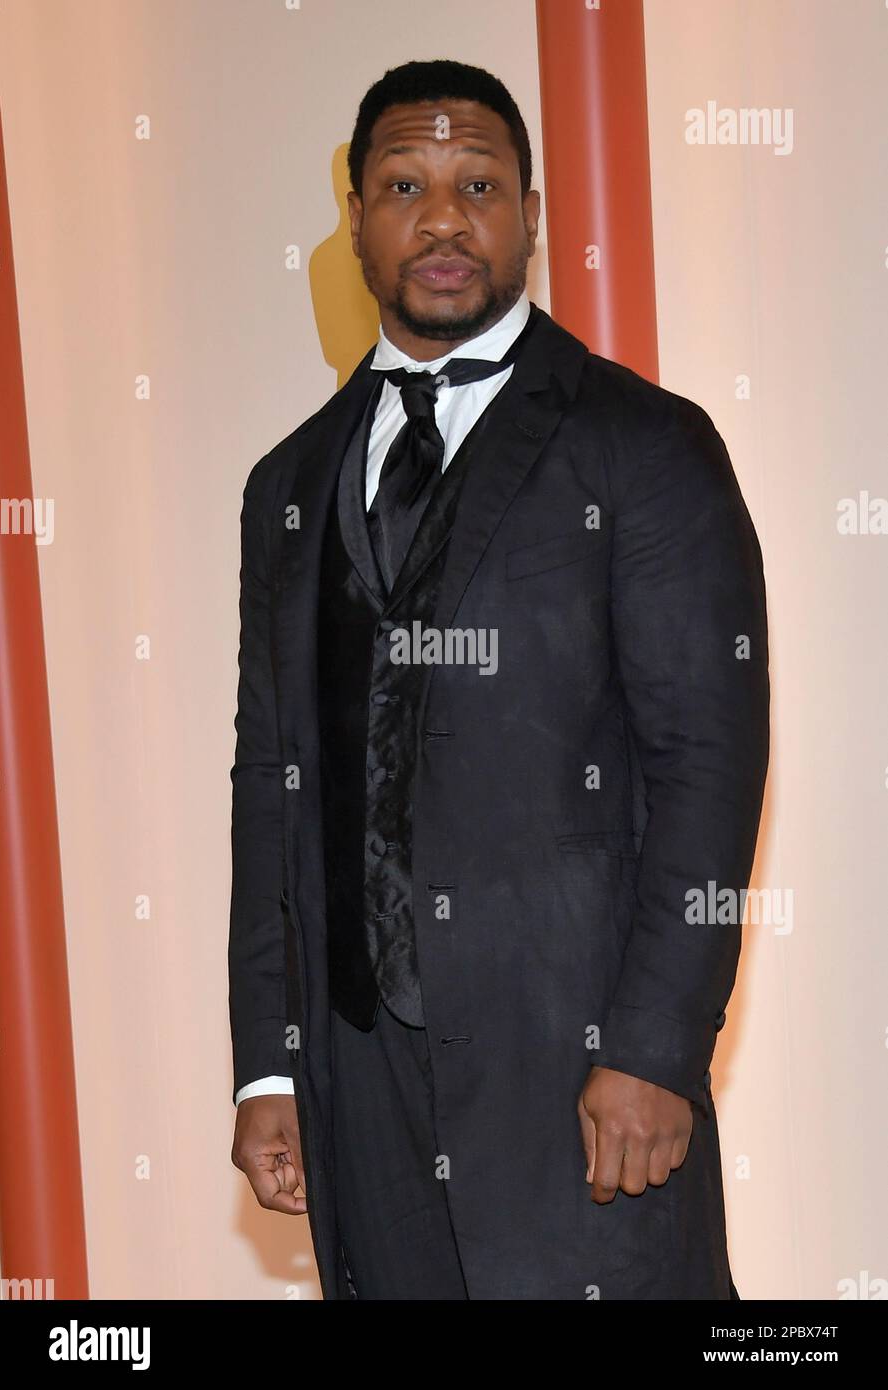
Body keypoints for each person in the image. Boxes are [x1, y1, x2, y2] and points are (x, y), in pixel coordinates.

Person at [228, 59, 769, 1300]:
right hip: (358, 1088)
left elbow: (710, 765)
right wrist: (271, 1061)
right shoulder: (289, 486)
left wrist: (654, 1045)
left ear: (529, 211)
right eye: (403, 185)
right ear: (354, 217)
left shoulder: (644, 442)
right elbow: (272, 782)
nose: (442, 219)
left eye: (478, 185)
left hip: (577, 1067)